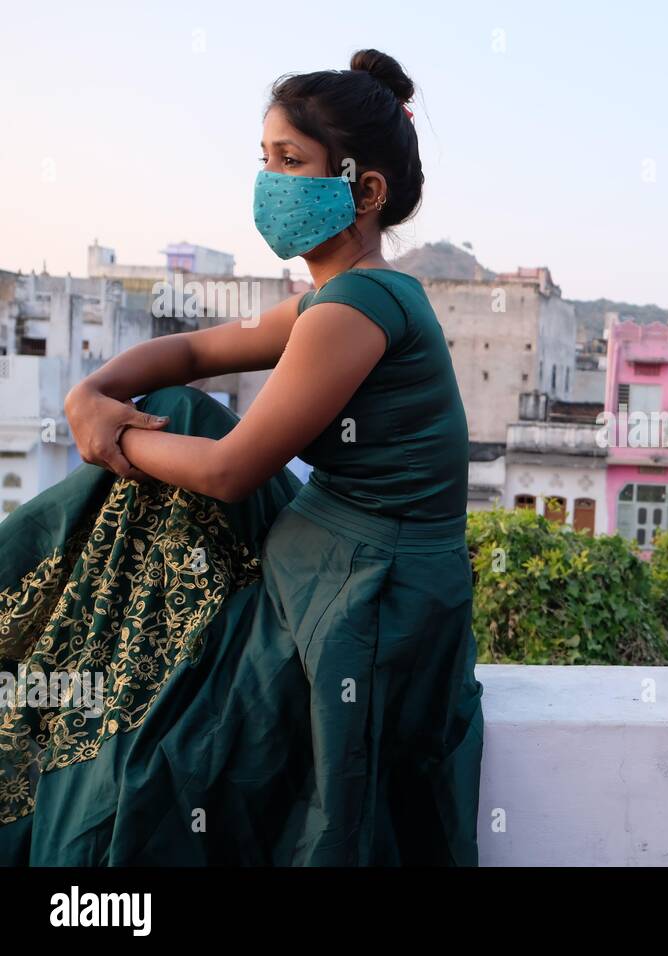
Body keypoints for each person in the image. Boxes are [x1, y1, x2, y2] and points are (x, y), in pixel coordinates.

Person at [0, 49, 484, 865]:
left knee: (160, 755)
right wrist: (94, 391)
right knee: (179, 405)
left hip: (371, 591)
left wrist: (116, 435)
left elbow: (231, 472)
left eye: (291, 162)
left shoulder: (358, 306)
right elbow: (196, 351)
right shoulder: (334, 295)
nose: (270, 182)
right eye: (265, 160)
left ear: (366, 191)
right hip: (330, 549)